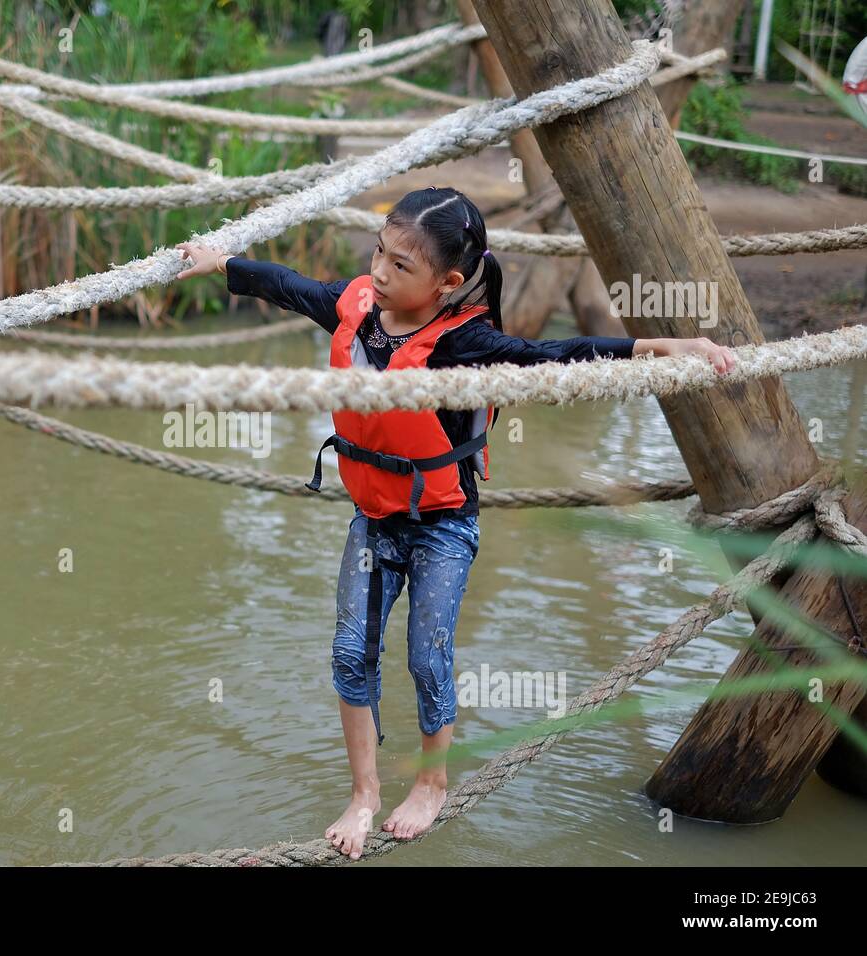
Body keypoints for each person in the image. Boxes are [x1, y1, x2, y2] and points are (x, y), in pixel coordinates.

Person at [174, 186, 737, 860]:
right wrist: (220, 262)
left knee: (425, 654)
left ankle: (433, 783)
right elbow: (288, 285)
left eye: (400, 267)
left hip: (441, 524)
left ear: (446, 283)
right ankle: (363, 794)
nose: (379, 273)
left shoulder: (463, 343)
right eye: (378, 255)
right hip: (374, 518)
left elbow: (553, 356)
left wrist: (657, 346)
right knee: (351, 652)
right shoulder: (359, 310)